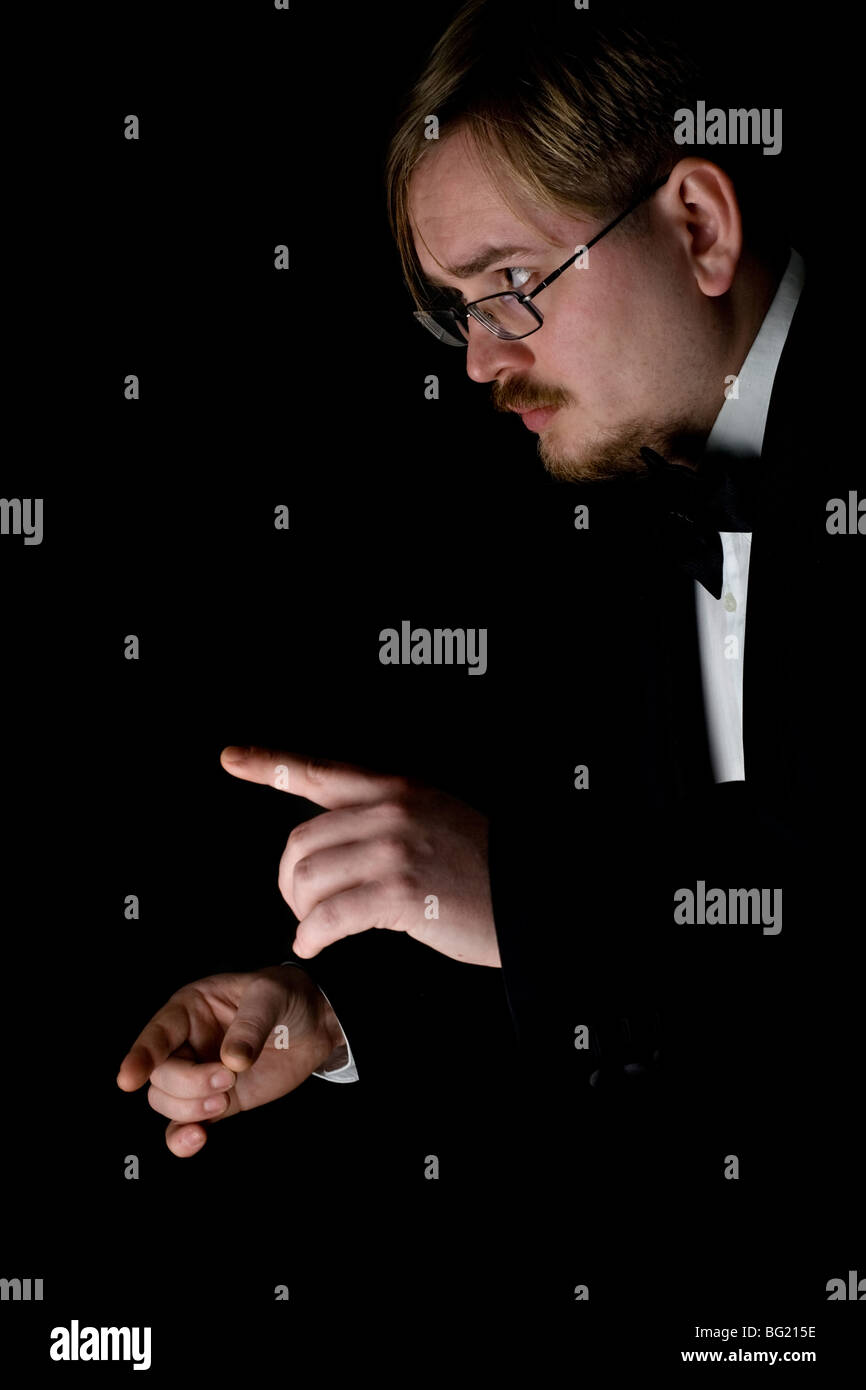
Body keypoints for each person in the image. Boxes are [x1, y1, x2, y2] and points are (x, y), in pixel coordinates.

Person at [117, 4, 859, 1250]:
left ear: (698, 225)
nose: (477, 360)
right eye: (457, 306)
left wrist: (519, 893)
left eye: (512, 284)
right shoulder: (633, 484)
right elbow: (679, 969)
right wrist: (329, 1021)